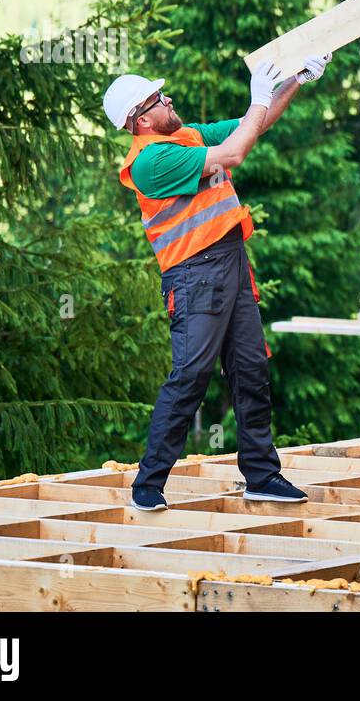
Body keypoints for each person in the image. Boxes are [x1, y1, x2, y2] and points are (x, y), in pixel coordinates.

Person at [101, 54, 329, 510]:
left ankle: (262, 475)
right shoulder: (150, 161)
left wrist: (295, 82)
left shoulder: (186, 135)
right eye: (159, 99)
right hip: (194, 275)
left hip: (229, 261)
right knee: (191, 375)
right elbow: (234, 153)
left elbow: (253, 124)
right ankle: (148, 484)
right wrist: (258, 96)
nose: (169, 100)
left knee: (250, 369)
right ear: (143, 119)